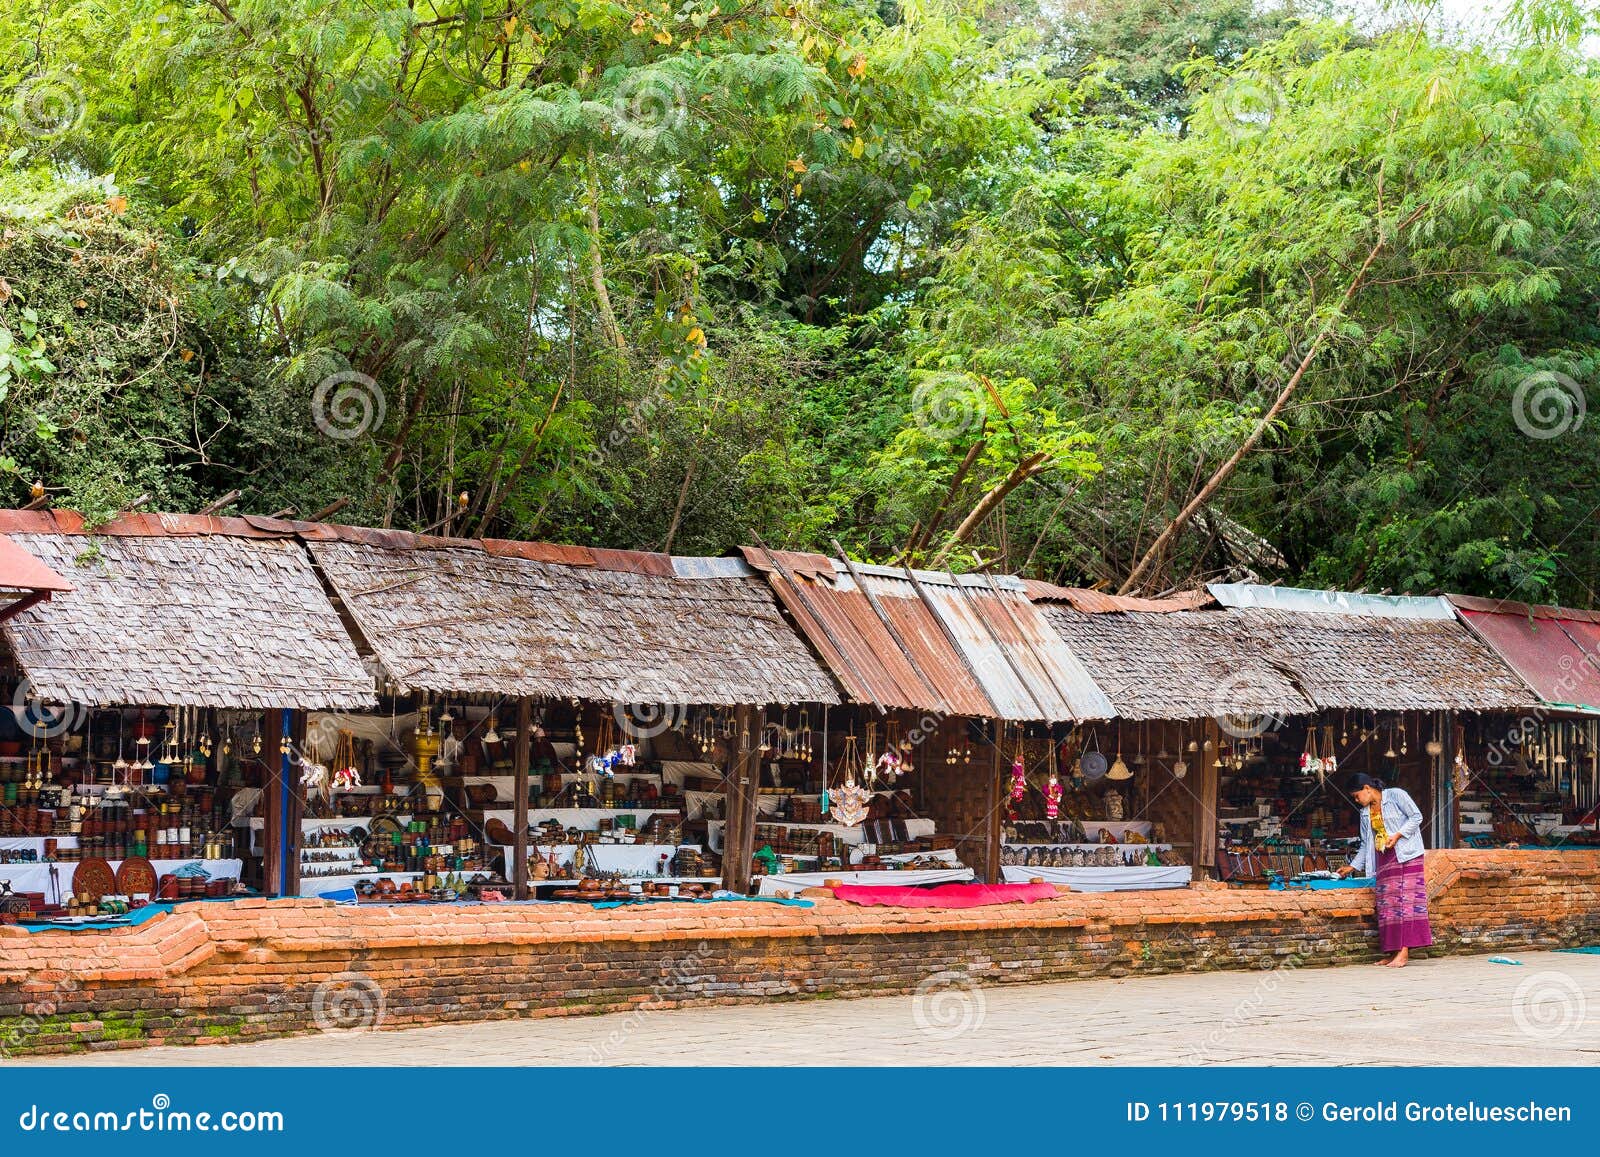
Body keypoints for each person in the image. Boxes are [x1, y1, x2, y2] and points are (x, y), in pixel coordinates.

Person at [1337, 772, 1432, 967]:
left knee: (1405, 903)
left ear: (1367, 788)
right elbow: (1366, 844)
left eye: (1357, 795)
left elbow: (1417, 817)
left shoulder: (1396, 795)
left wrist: (1397, 835)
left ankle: (1404, 953)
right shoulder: (1364, 813)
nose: (1356, 800)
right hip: (1383, 858)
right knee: (1388, 907)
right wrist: (1352, 866)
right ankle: (1394, 951)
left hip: (1406, 855)